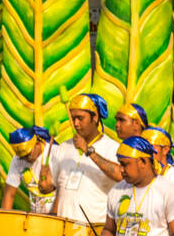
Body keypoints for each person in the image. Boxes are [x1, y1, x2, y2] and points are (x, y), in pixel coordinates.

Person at [98, 136, 174, 236]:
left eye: (125, 164)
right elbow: (109, 229)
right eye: (119, 164)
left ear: (143, 162)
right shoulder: (116, 191)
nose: (120, 169)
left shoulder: (169, 192)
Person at [48, 92, 122, 225]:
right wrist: (43, 178)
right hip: (62, 228)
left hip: (95, 228)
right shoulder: (63, 147)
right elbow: (52, 187)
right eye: (72, 118)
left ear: (95, 117)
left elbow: (121, 175)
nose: (75, 123)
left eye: (80, 118)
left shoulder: (113, 148)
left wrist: (88, 151)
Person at [1, 126, 56, 214]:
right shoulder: (17, 159)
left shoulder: (55, 153)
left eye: (28, 155)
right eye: (22, 157)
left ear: (37, 143)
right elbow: (9, 195)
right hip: (36, 217)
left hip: (58, 216)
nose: (26, 159)